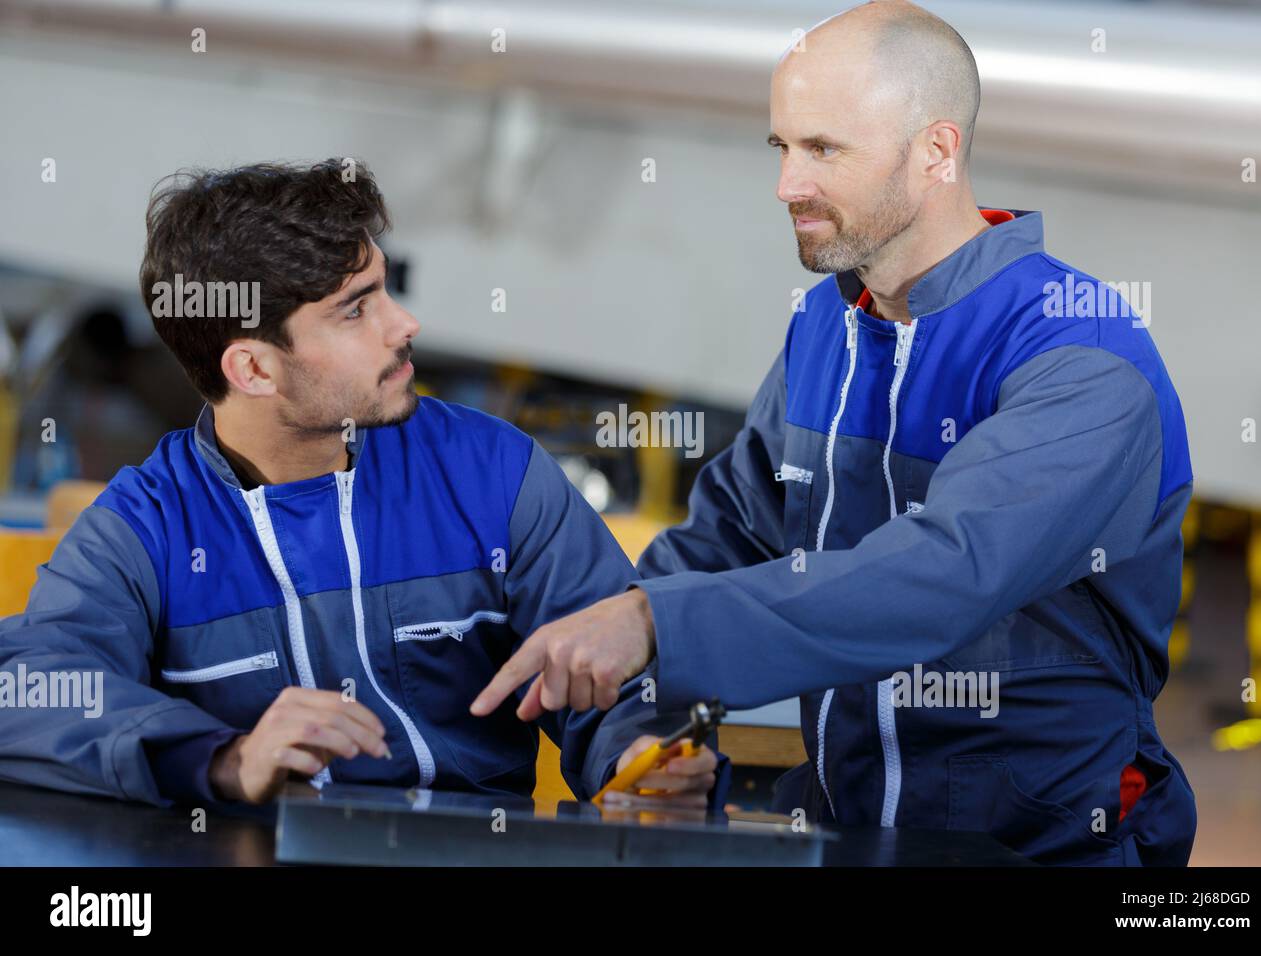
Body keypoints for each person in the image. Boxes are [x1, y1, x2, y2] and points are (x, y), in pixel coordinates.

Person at [473, 0, 1196, 865]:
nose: (787, 184)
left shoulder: (1081, 352)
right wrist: (642, 724)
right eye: (782, 147)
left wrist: (658, 626)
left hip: (1044, 847)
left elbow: (945, 574)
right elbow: (726, 540)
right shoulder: (829, 325)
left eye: (824, 149)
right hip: (841, 830)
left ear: (936, 150)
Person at [0, 159, 722, 810]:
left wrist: (642, 752)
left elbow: (624, 675)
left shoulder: (494, 471)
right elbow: (29, 692)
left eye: (386, 291)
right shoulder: (143, 526)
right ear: (252, 369)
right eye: (356, 309)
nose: (404, 324)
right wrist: (224, 757)